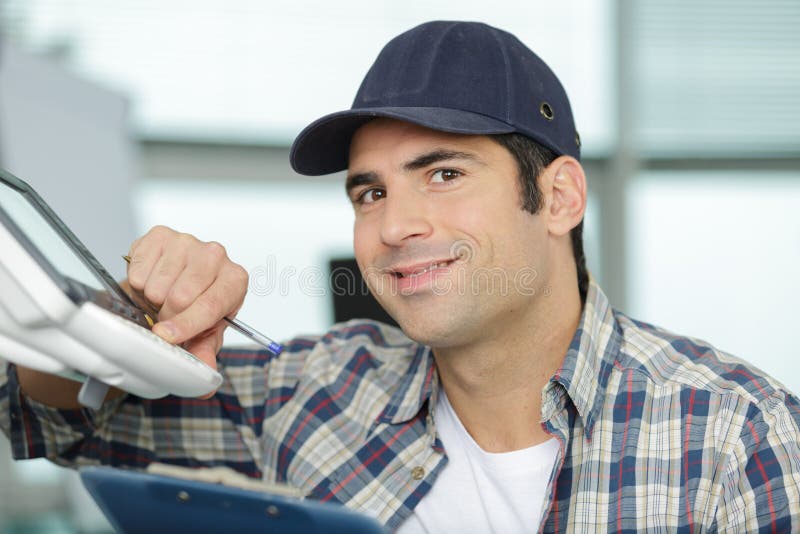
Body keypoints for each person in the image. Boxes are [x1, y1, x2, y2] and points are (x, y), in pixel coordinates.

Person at [2, 20, 799, 533]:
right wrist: (126, 318)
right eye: (369, 191)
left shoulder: (733, 436)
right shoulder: (312, 393)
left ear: (558, 197)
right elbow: (45, 418)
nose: (392, 227)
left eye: (443, 174)